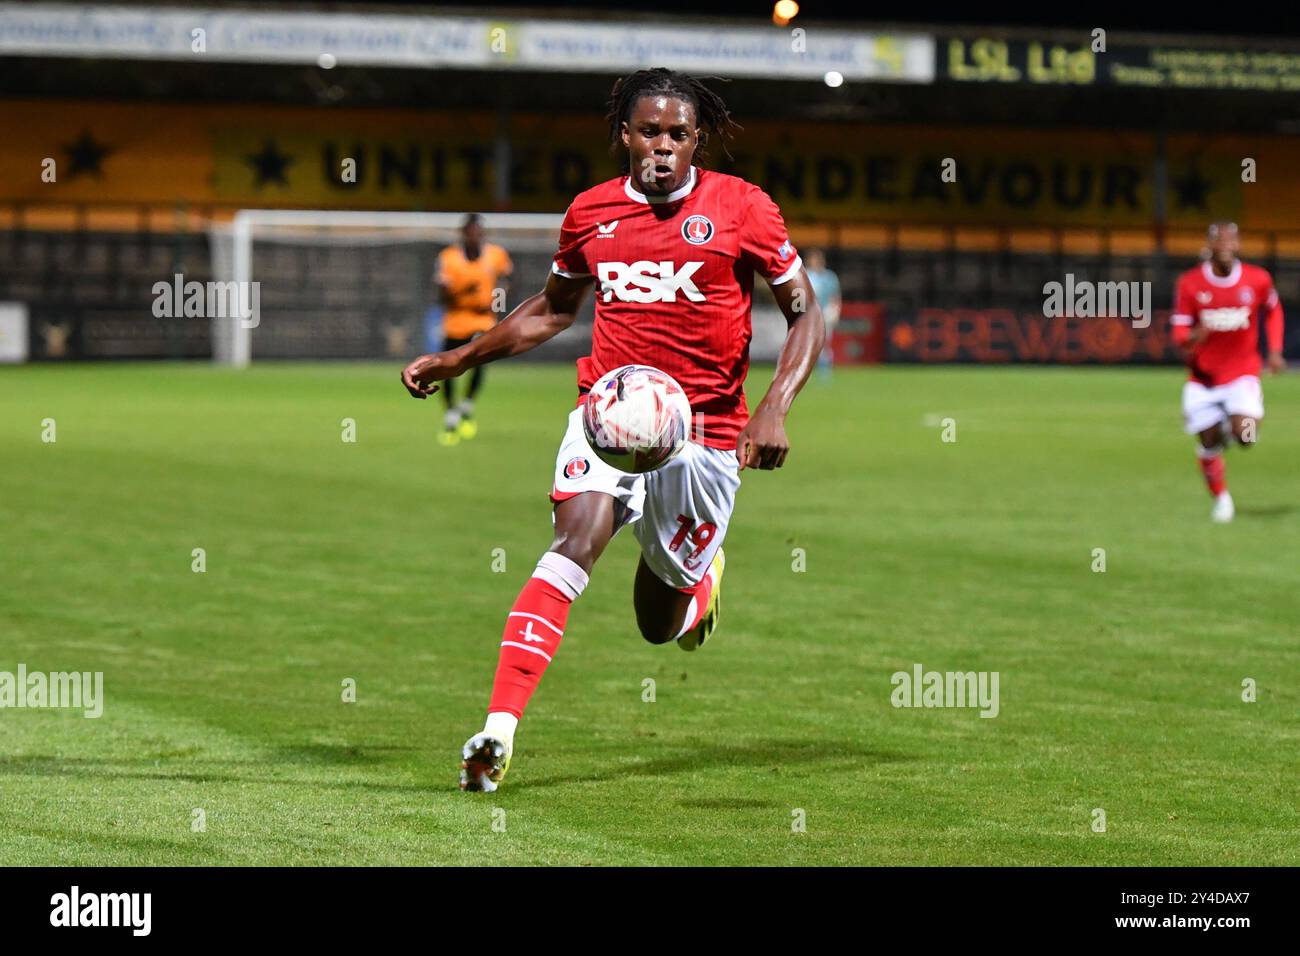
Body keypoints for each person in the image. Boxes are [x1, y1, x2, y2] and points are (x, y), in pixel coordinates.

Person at [400, 67, 824, 791]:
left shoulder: (743, 208)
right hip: (608, 415)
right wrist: (457, 357)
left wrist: (775, 405)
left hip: (705, 436)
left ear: (699, 141)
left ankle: (696, 583)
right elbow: (551, 309)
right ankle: (497, 732)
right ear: (624, 135)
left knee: (658, 625)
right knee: (573, 543)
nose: (663, 147)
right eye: (649, 131)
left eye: (679, 135)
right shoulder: (592, 212)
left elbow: (805, 312)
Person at [1171, 221, 1285, 523]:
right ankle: (1222, 499)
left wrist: (1273, 351)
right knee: (1207, 442)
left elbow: (1273, 310)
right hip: (1203, 378)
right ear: (1209, 246)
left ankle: (1229, 428)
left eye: (1231, 240)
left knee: (1246, 435)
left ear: (1238, 245)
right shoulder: (1190, 283)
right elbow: (1179, 332)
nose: (1226, 246)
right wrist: (1194, 336)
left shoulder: (1257, 279)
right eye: (1219, 241)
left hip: (1242, 372)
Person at [433, 213, 512, 445]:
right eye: (471, 232)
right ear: (464, 234)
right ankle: (451, 411)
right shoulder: (448, 258)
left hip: (482, 320)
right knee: (448, 367)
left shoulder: (496, 256)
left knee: (478, 358)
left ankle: (467, 402)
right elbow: (441, 293)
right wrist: (449, 291)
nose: (475, 236)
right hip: (456, 319)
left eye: (478, 232)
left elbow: (508, 278)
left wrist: (499, 301)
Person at [805, 248, 841, 379]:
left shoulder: (830, 277)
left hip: (825, 313)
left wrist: (836, 311)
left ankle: (825, 371)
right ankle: (805, 372)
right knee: (808, 343)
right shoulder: (805, 275)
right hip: (809, 314)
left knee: (825, 342)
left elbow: (835, 297)